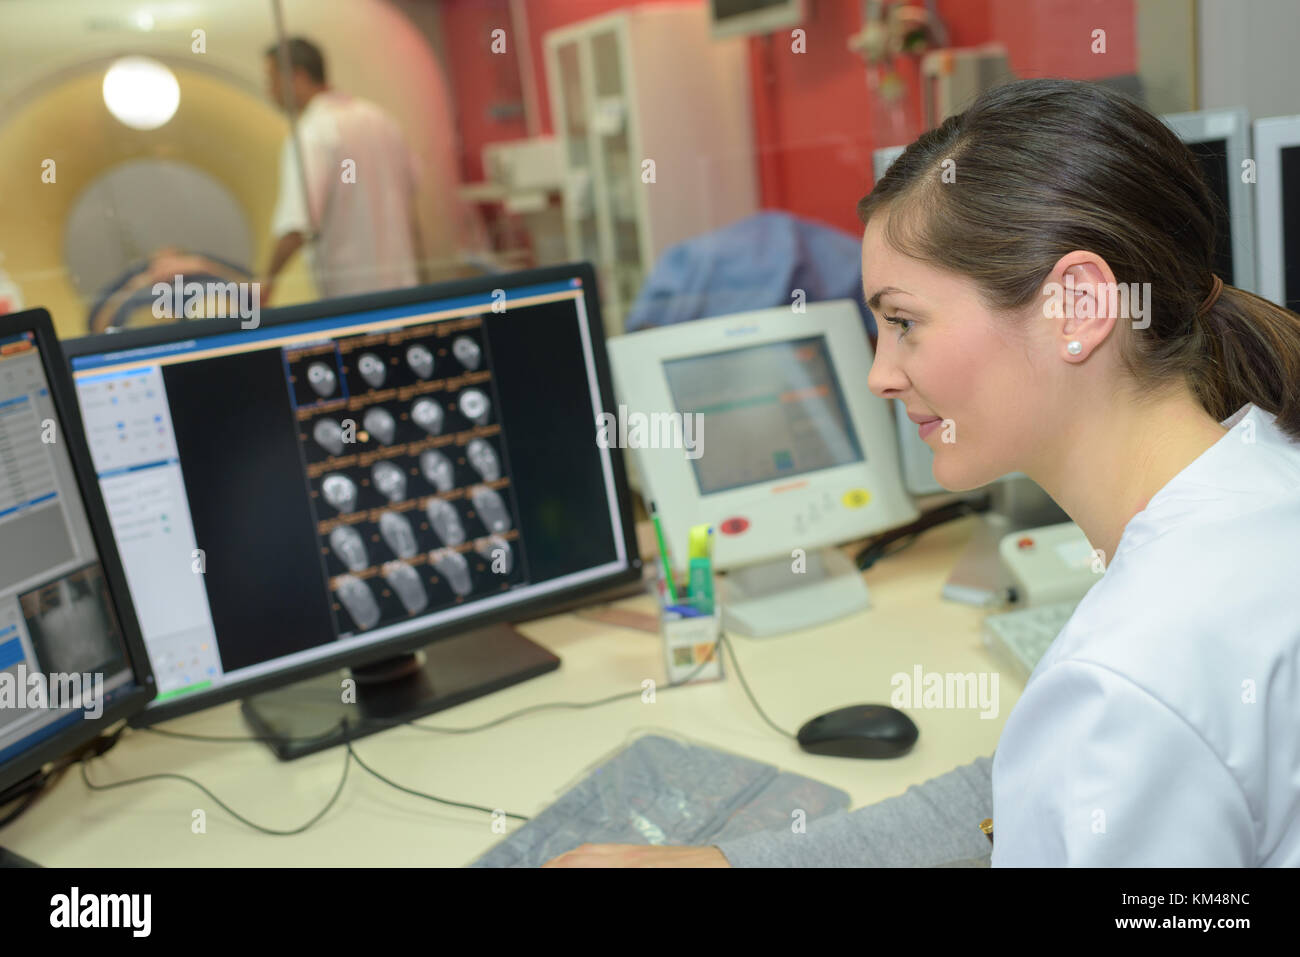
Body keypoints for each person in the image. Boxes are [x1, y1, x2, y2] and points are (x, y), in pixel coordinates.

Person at [544, 76, 1300, 867]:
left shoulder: (1130, 681)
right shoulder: (1263, 482)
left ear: (1077, 306)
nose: (881, 374)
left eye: (904, 321)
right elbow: (1023, 794)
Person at [262, 36, 423, 302]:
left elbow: (296, 225)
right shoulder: (380, 119)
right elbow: (412, 194)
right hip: (405, 288)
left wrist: (266, 284)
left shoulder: (311, 133)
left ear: (297, 76)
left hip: (353, 298)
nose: (270, 91)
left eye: (272, 79)